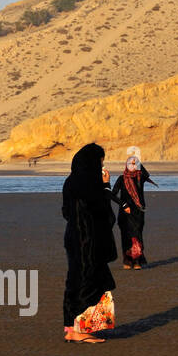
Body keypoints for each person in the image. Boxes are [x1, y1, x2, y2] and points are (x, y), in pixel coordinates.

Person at [62, 142, 118, 343]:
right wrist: (105, 185)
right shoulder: (90, 184)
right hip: (88, 240)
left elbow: (65, 212)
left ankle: (70, 329)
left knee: (74, 280)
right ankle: (79, 330)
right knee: (88, 280)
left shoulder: (70, 181)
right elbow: (101, 211)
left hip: (73, 237)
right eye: (100, 162)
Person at [112, 155, 153, 269]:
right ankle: (127, 261)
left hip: (138, 213)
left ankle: (137, 261)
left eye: (135, 164)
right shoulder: (121, 178)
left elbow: (147, 174)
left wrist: (137, 161)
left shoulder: (140, 177)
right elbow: (113, 195)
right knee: (126, 236)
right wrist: (123, 204)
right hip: (125, 213)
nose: (132, 166)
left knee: (137, 236)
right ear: (126, 165)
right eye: (130, 163)